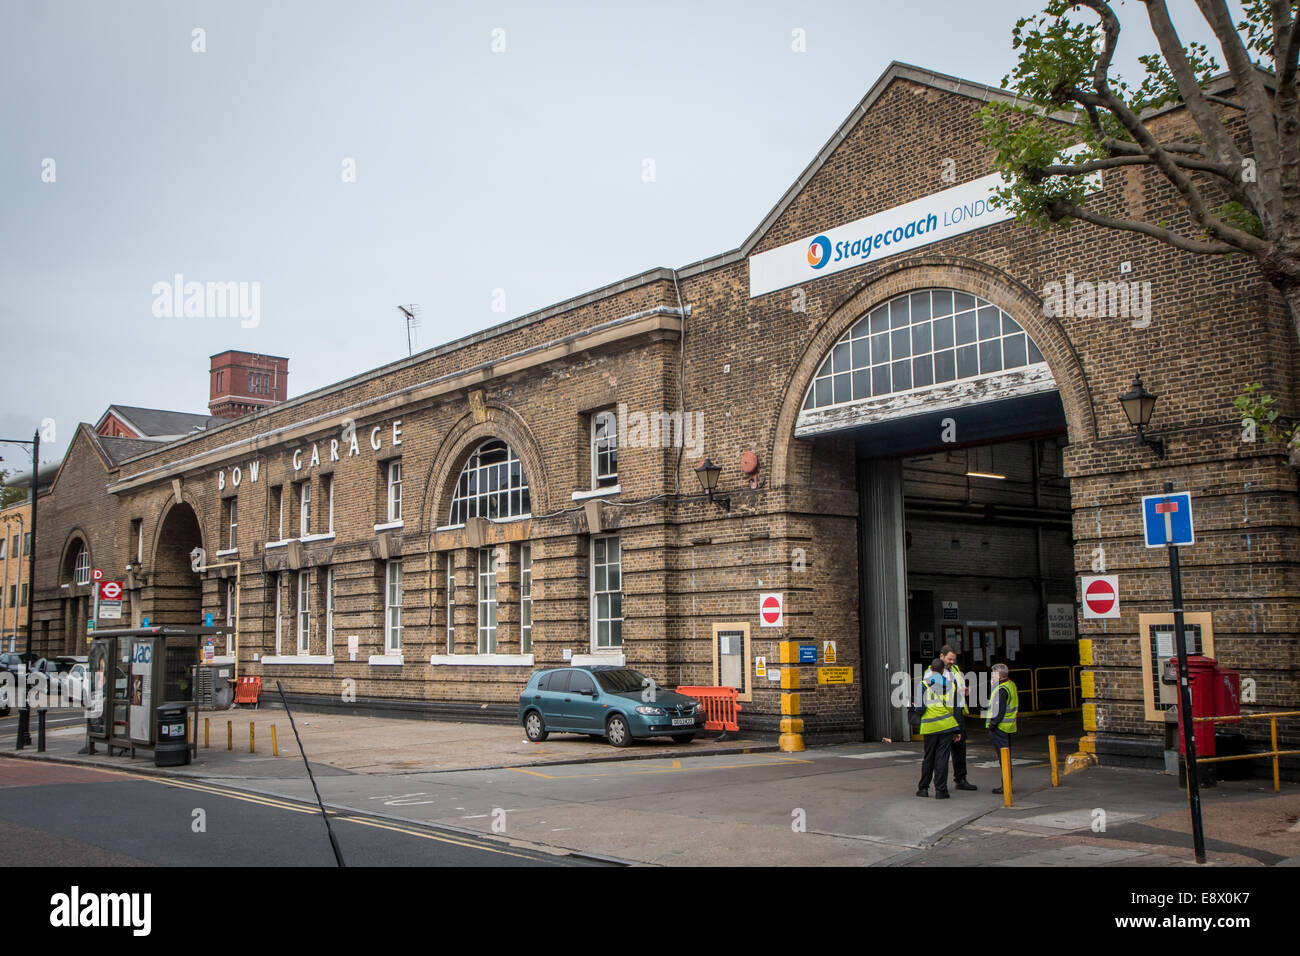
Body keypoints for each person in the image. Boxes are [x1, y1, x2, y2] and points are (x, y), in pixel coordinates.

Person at [916, 659, 961, 799]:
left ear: (930, 668)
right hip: (947, 726)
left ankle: (923, 789)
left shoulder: (922, 685)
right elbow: (955, 709)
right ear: (943, 671)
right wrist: (957, 729)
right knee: (942, 758)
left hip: (929, 727)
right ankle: (941, 791)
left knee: (928, 757)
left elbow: (920, 709)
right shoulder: (950, 686)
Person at [941, 645, 977, 791]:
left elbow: (957, 687)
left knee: (960, 749)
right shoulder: (934, 671)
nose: (951, 662)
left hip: (957, 713)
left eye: (953, 660)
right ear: (941, 656)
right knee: (942, 751)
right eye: (949, 659)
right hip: (944, 715)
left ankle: (961, 779)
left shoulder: (955, 670)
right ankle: (940, 784)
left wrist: (964, 690)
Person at [987, 662, 1019, 794]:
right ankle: (1007, 784)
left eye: (993, 674)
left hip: (1000, 728)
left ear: (999, 675)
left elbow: (998, 712)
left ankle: (1006, 785)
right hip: (1008, 727)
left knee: (1004, 758)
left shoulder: (1002, 690)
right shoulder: (1010, 685)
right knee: (1005, 757)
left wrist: (992, 725)